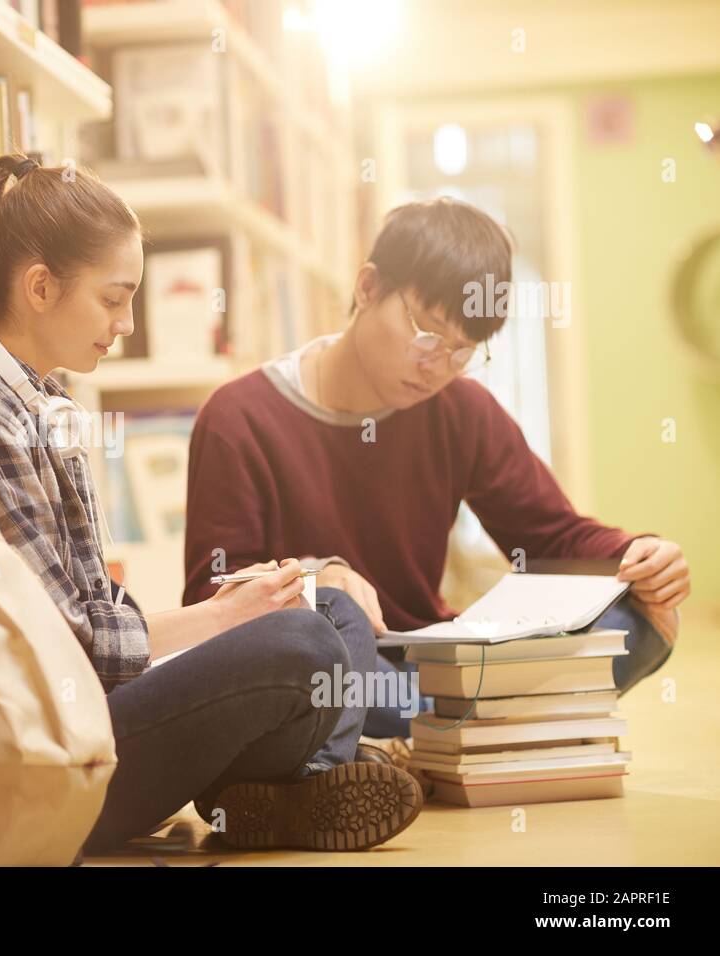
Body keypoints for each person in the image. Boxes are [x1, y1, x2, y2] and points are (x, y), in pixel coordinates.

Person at [0, 154, 424, 854]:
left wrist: (240, 609)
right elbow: (68, 642)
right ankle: (313, 781)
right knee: (305, 641)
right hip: (44, 764)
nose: (128, 323)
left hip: (87, 716)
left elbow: (90, 606)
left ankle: (283, 794)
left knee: (329, 608)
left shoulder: (41, 400)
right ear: (41, 288)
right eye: (113, 299)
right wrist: (223, 617)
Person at [182, 197, 688, 737]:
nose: (437, 368)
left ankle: (431, 736)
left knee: (641, 616)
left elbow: (550, 533)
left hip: (431, 663)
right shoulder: (239, 418)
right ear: (368, 287)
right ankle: (490, 729)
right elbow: (209, 602)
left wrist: (637, 557)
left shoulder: (462, 411)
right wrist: (312, 581)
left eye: (462, 351)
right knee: (326, 667)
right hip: (335, 667)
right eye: (427, 335)